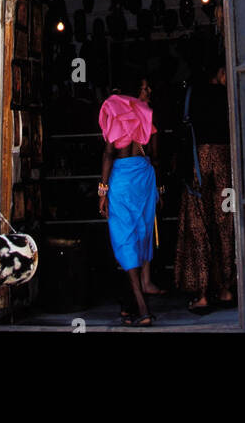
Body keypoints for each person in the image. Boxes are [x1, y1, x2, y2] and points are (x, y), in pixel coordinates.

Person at [98, 73, 164, 327]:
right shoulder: (148, 115)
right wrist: (159, 185)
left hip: (123, 182)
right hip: (144, 179)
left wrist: (102, 191)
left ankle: (141, 307)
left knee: (124, 239)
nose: (148, 92)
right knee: (139, 235)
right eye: (144, 88)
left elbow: (108, 154)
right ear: (134, 92)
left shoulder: (113, 109)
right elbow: (156, 157)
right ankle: (129, 306)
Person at [174, 62, 235, 313]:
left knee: (199, 227)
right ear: (219, 73)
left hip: (199, 163)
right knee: (225, 224)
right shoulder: (229, 95)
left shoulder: (192, 96)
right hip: (224, 163)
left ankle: (202, 294)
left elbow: (184, 131)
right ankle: (226, 289)